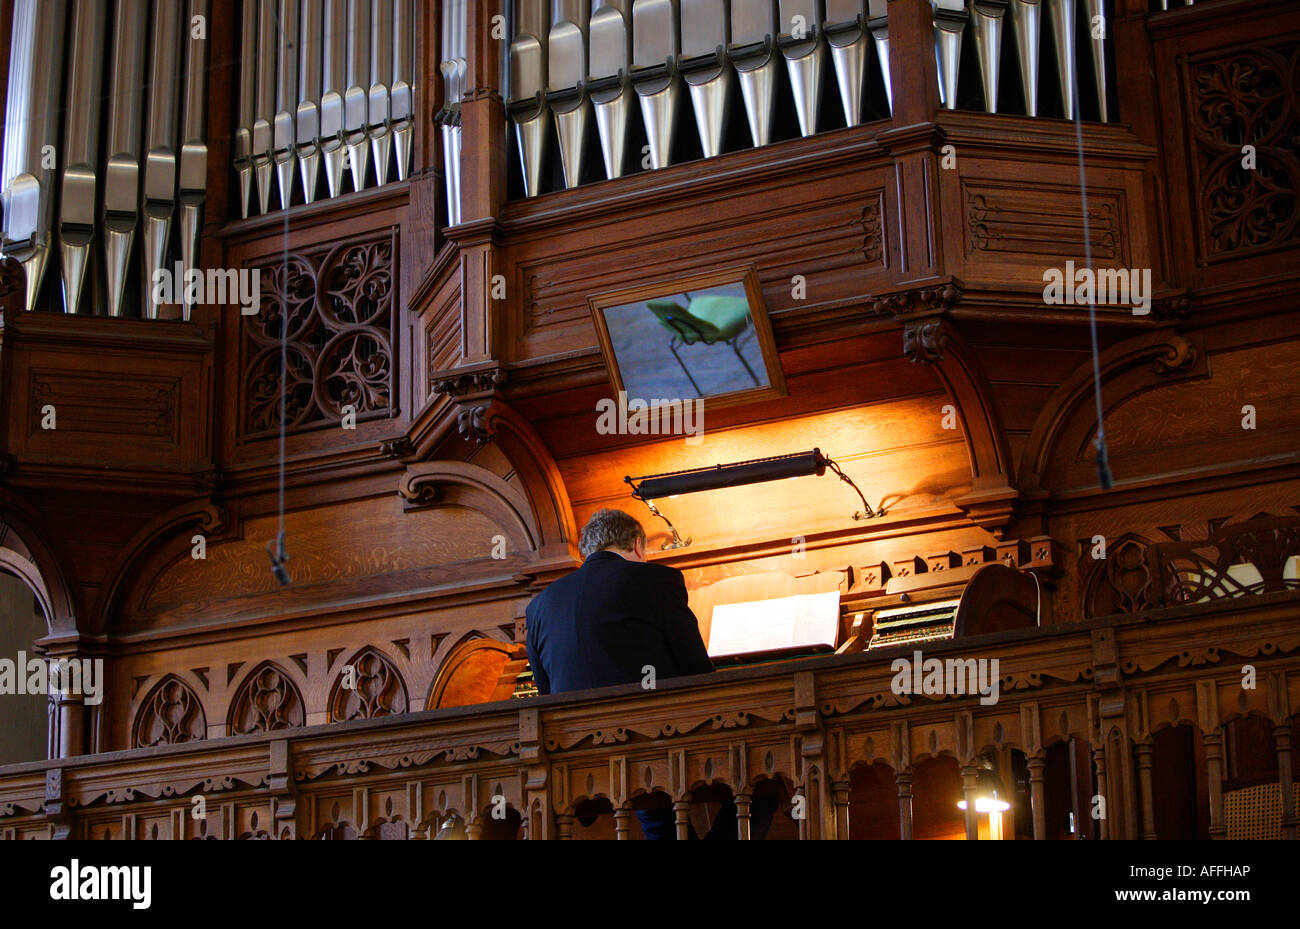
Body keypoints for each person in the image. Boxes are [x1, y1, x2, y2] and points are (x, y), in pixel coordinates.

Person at [525, 509, 776, 840]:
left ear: (589, 551)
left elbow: (545, 690)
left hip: (580, 758)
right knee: (767, 774)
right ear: (638, 545)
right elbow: (695, 670)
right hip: (655, 744)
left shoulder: (540, 605)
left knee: (656, 803)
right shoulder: (656, 580)